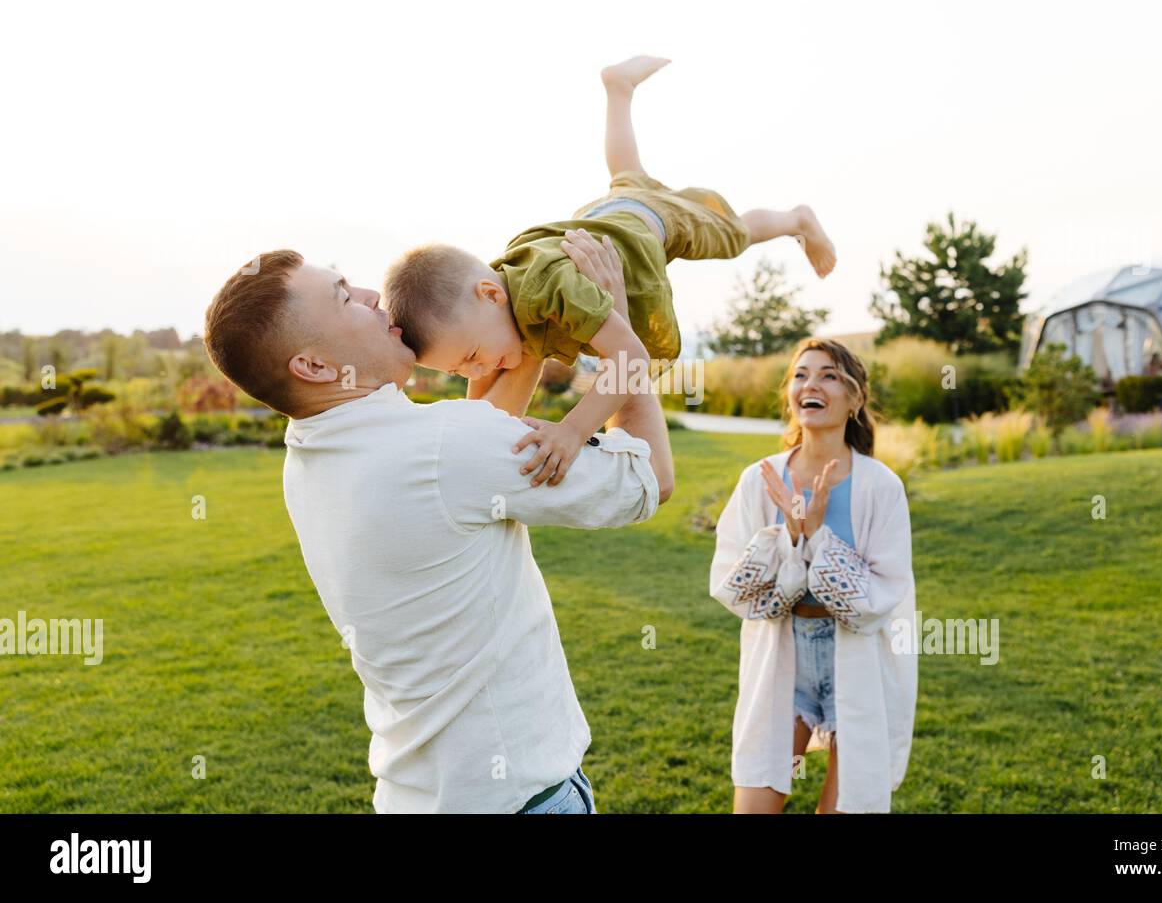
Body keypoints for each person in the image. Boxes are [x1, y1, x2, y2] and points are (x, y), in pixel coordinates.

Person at [202, 230, 670, 813]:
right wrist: (616, 321)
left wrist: (520, 322)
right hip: (518, 799)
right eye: (344, 297)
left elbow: (482, 440)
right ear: (314, 365)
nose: (373, 297)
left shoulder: (309, 457)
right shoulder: (446, 447)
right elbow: (650, 481)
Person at [382, 55, 837, 488]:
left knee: (735, 233)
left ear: (490, 293)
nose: (479, 369)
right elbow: (484, 415)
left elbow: (630, 357)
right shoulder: (489, 307)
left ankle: (796, 219)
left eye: (473, 355)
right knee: (625, 173)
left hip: (655, 222)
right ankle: (618, 89)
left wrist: (572, 430)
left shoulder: (548, 289)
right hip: (607, 216)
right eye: (462, 368)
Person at [709, 339, 918, 813]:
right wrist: (789, 534)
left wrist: (818, 536)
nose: (811, 385)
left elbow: (875, 602)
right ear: (790, 394)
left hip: (858, 664)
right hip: (782, 658)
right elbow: (735, 589)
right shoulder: (759, 480)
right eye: (801, 375)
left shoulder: (881, 487)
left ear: (855, 398)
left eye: (829, 375)